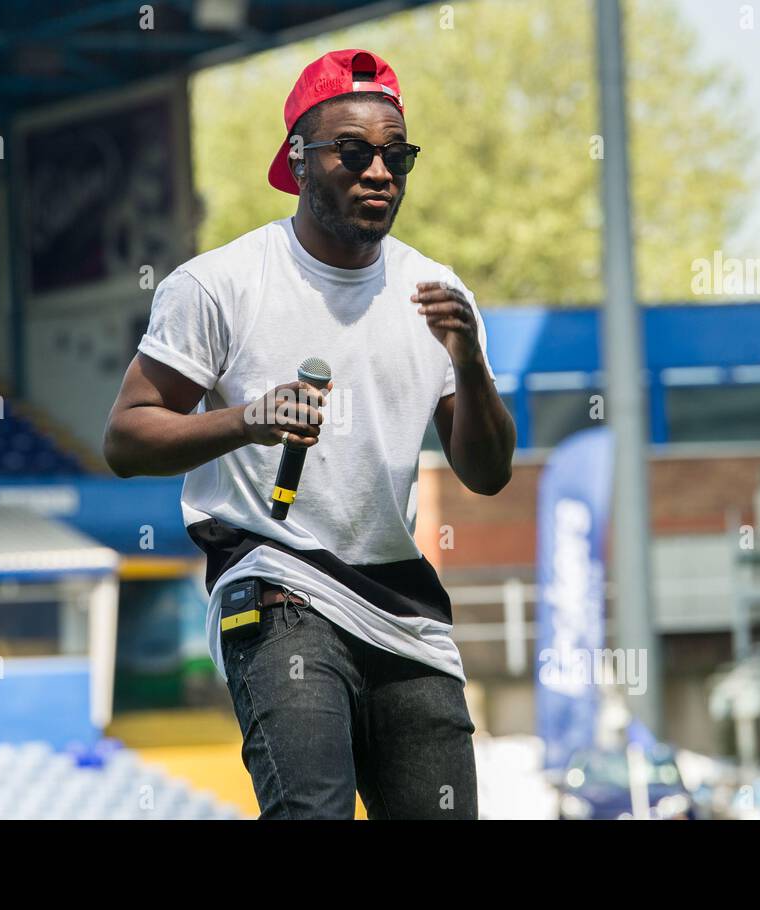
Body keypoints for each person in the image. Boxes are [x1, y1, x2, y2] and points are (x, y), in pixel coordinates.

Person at [103, 48, 516, 819]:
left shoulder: (438, 295)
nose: (379, 172)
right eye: (353, 152)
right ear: (297, 159)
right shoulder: (221, 284)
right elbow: (126, 438)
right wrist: (248, 418)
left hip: (403, 609)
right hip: (276, 584)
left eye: (398, 156)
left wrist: (470, 362)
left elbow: (488, 474)